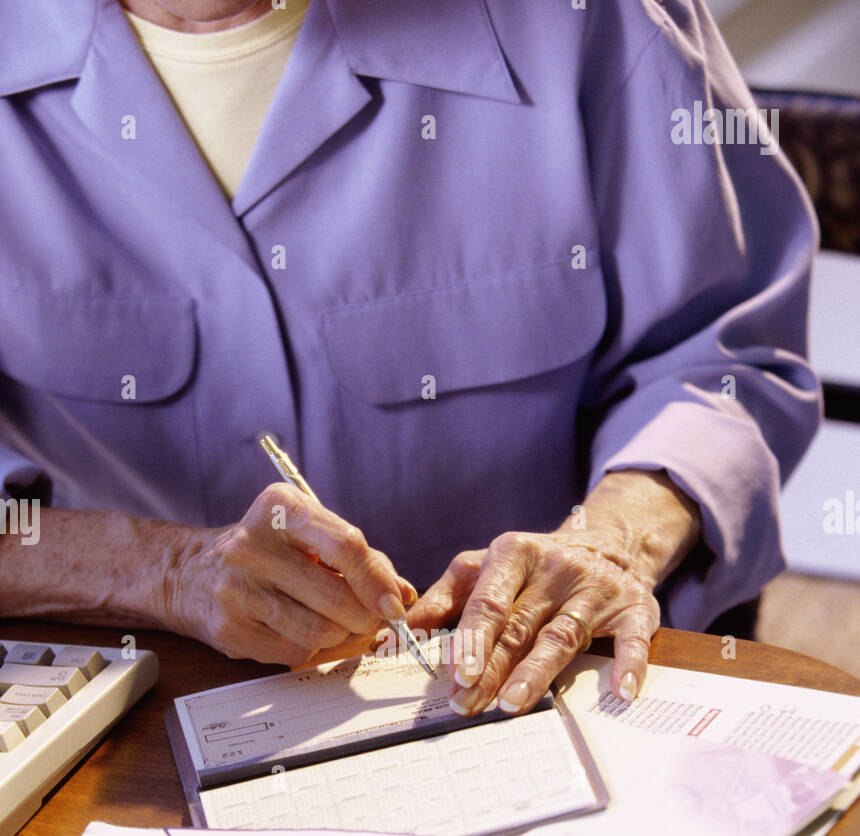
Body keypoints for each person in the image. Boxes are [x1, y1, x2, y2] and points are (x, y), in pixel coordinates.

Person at [0, 0, 820, 716]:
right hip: (107, 715)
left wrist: (608, 542)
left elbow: (726, 362)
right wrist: (167, 573)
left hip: (530, 689)